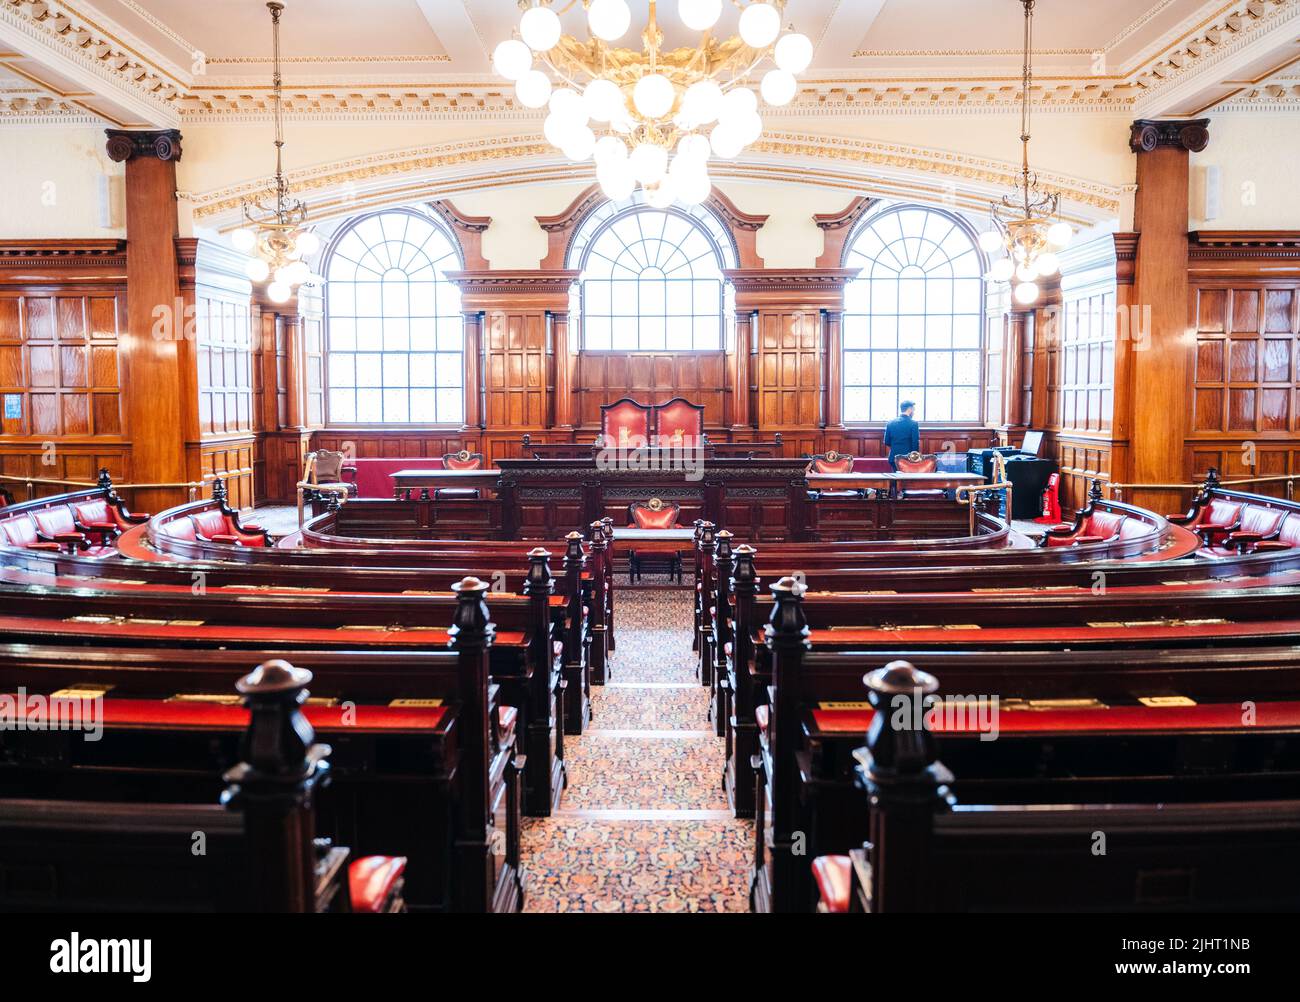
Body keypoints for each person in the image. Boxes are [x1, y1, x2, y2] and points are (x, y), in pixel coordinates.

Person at [883, 401, 920, 470]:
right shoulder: (913, 424)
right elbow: (915, 443)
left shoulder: (890, 423)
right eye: (913, 409)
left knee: (894, 479)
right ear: (909, 409)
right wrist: (915, 458)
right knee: (907, 480)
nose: (914, 412)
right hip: (908, 458)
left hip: (893, 457)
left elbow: (886, 441)